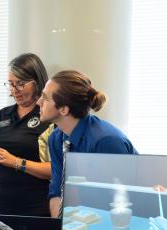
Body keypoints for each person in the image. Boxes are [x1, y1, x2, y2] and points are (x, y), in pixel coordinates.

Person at [37, 70, 137, 217]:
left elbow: (120, 201)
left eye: (45, 98)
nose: (38, 102)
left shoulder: (106, 141)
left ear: (64, 109)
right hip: (88, 217)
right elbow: (57, 191)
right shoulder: (56, 139)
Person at [0, 53, 54, 216]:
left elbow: (57, 169)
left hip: (35, 207)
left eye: (20, 84)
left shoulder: (48, 117)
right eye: (10, 84)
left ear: (37, 82)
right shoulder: (3, 115)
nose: (14, 91)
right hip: (1, 204)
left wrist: (16, 162)